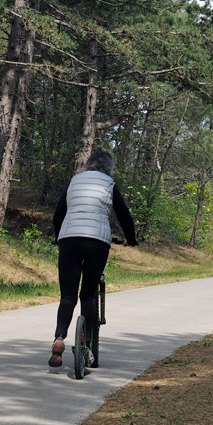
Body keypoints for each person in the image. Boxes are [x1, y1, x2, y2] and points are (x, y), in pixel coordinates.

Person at [49, 147, 137, 368]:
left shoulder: (74, 181)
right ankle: (86, 347)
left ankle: (59, 338)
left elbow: (59, 213)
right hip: (97, 241)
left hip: (69, 239)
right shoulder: (109, 184)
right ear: (109, 167)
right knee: (88, 295)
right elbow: (123, 214)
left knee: (67, 296)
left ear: (88, 164)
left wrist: (58, 236)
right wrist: (131, 239)